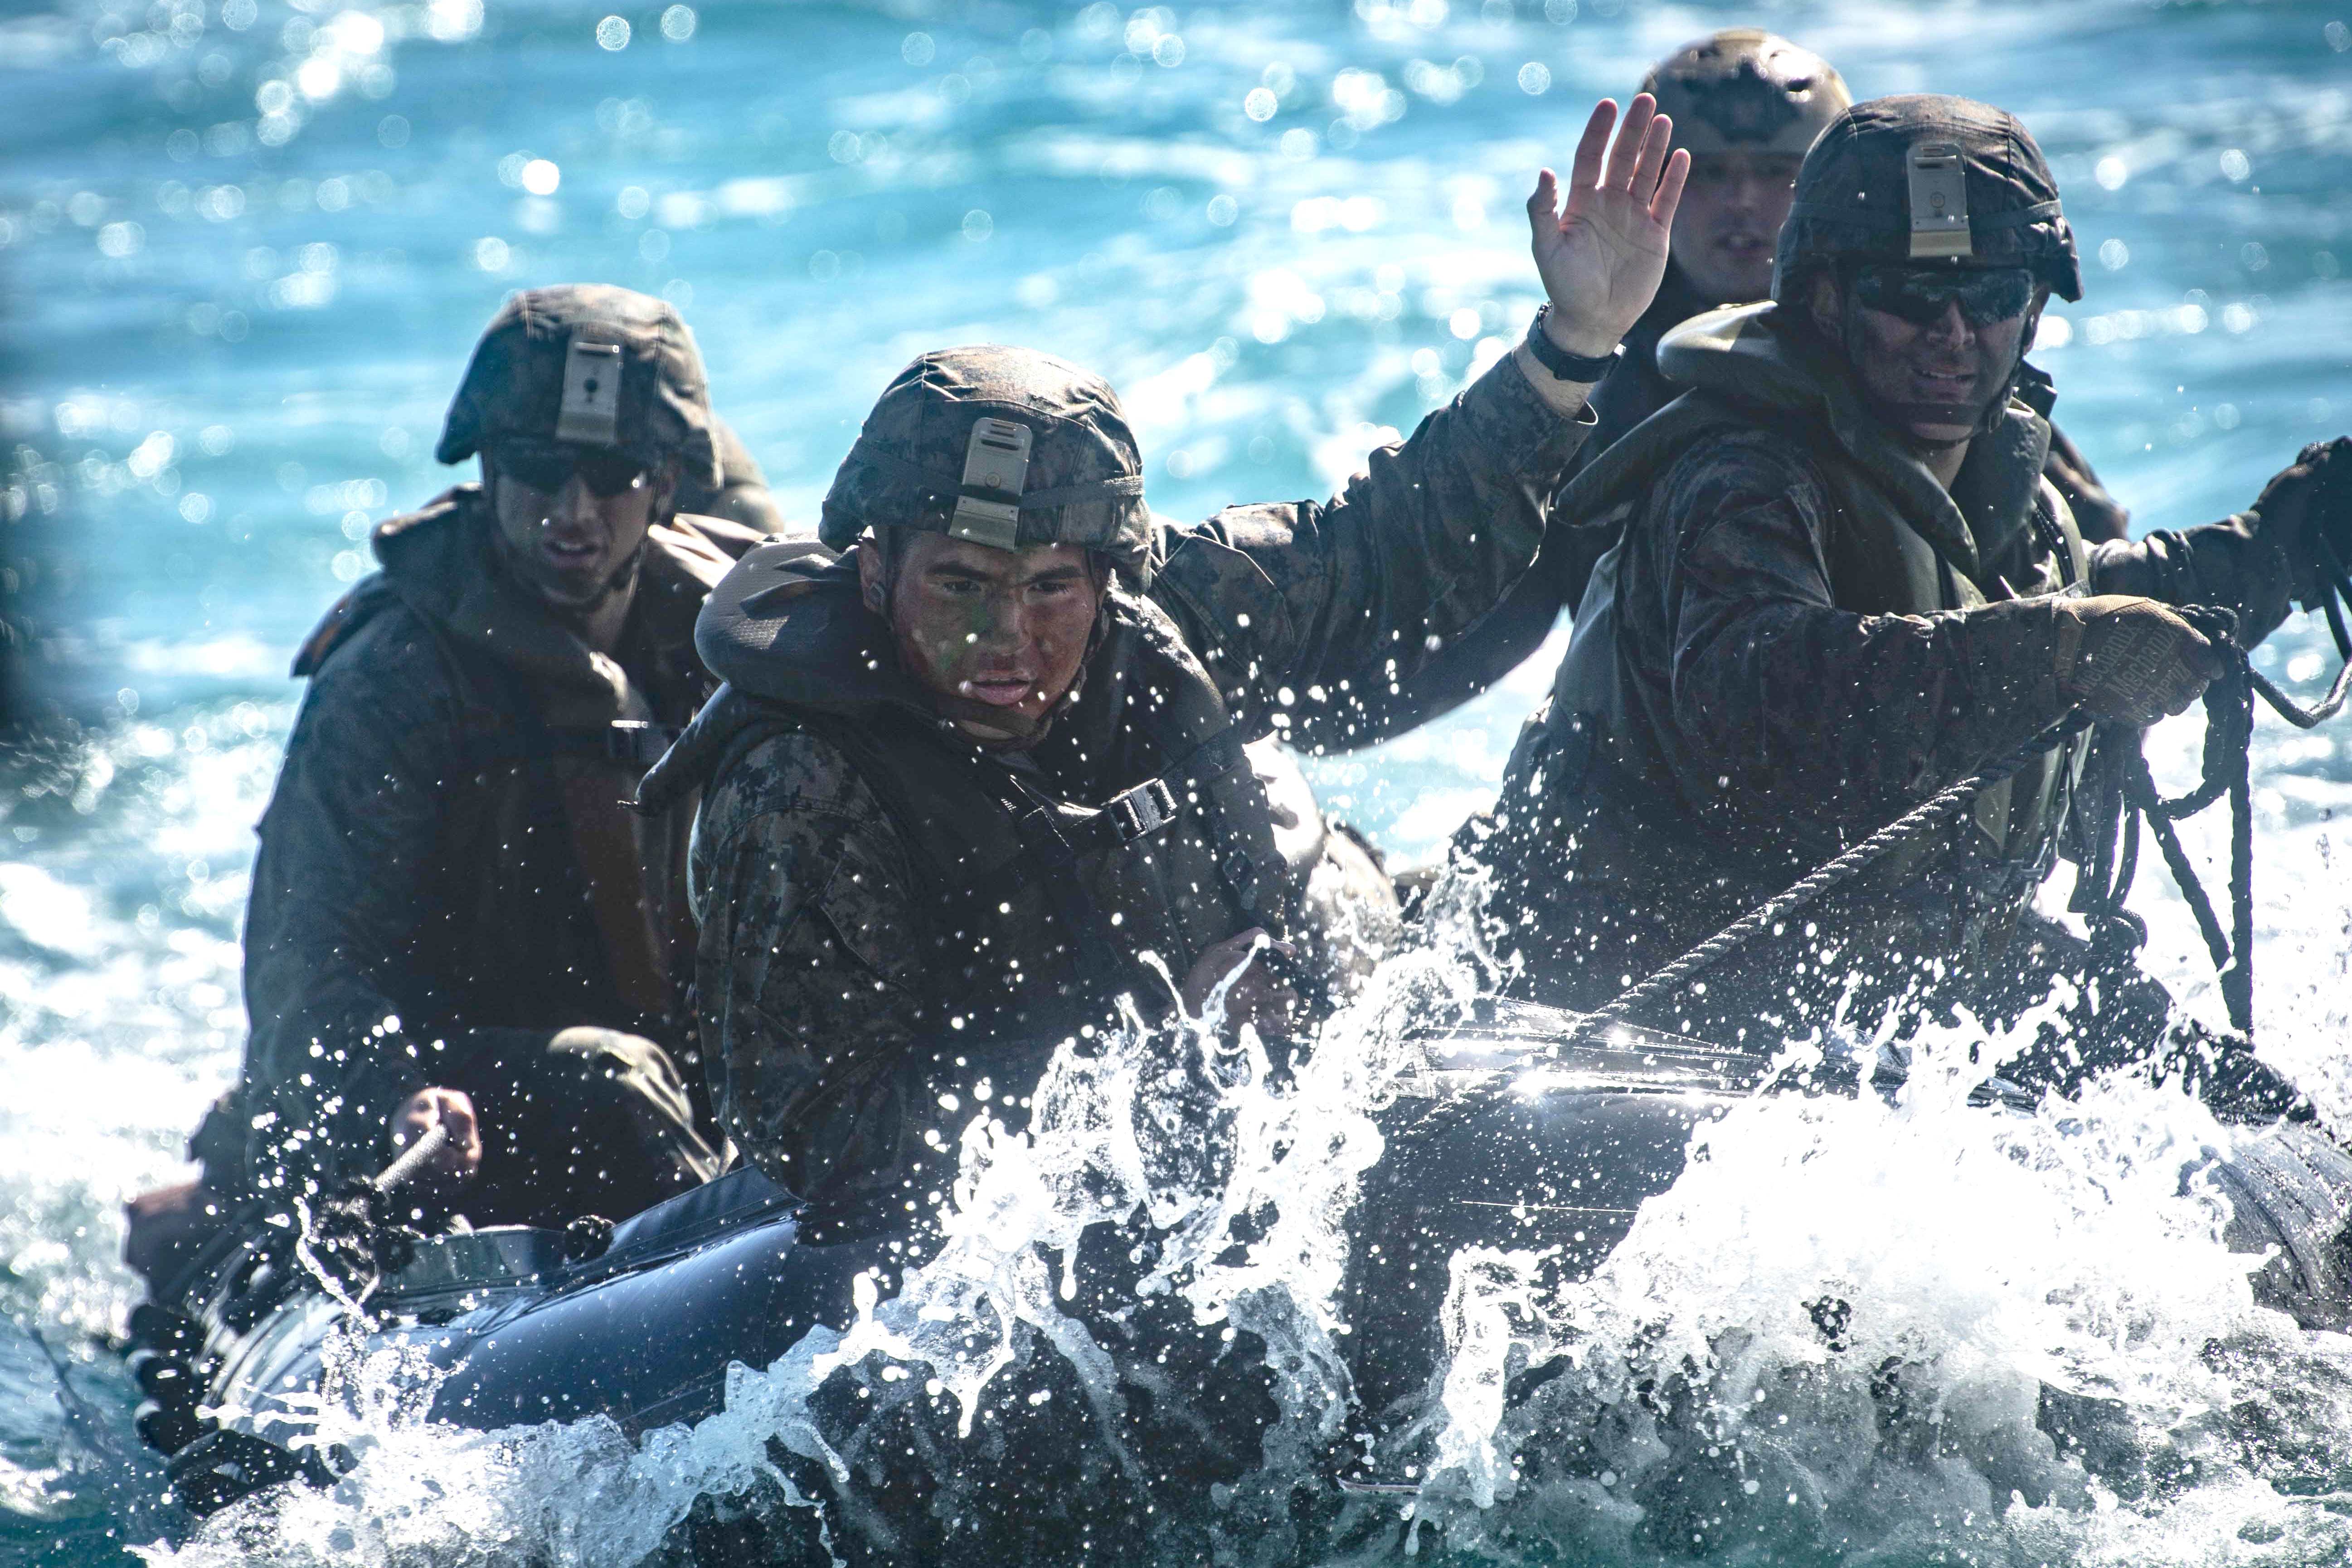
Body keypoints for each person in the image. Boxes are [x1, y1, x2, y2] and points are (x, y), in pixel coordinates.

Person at [631, 97, 1691, 1242]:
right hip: (1036, 1202)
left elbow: (1385, 546)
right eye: (960, 583)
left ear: (1104, 576)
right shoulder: (801, 783)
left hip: (1313, 1014)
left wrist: (1570, 345)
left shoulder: (1164, 610)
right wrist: (1153, 1048)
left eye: (1049, 588)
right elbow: (832, 1140)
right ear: (876, 570)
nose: (1006, 635)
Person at [1471, 95, 2351, 1101]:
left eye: (1989, 296)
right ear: (1824, 302)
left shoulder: (2000, 479)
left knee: (2248, 1114)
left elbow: (2074, 602)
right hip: (1647, 991)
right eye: (1908, 294)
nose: (1951, 334)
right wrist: (2056, 651)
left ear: (2032, 308)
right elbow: (1755, 694)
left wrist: (2283, 543)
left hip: (1897, 974)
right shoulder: (1739, 475)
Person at [126, 286, 772, 1291]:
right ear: (487, 468)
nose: (574, 512)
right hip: (440, 1099)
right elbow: (306, 963)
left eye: (612, 476)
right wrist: (391, 1096)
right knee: (612, 1082)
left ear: (667, 484)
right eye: (537, 471)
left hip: (663, 1066)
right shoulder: (395, 677)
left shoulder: (733, 639)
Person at [1307, 32, 2132, 751]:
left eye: (1775, 174)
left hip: (1893, 775)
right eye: (1705, 175)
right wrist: (1290, 720)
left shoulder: (1935, 377)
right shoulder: (1599, 401)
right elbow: (1471, 633)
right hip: (1661, 781)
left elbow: (2093, 583)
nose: (1742, 205)